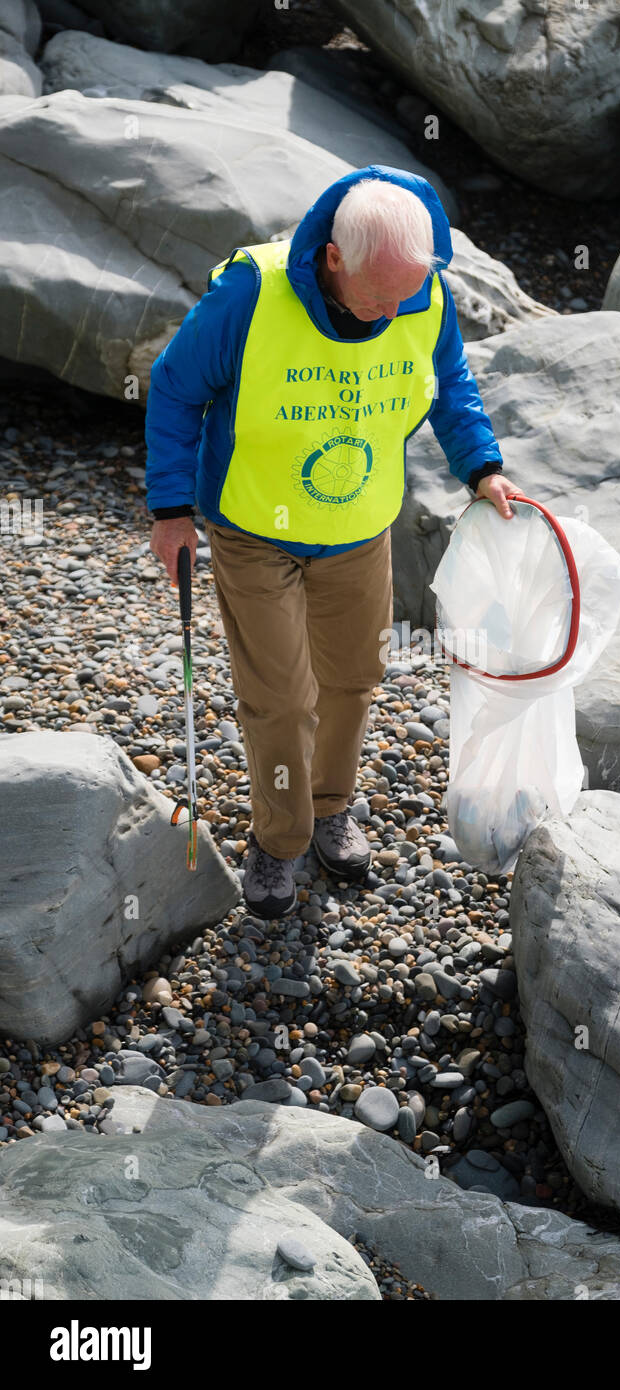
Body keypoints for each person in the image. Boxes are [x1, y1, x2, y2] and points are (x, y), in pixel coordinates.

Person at [145, 164, 520, 918]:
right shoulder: (252, 293)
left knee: (351, 681)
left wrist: (483, 467)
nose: (392, 311)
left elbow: (449, 382)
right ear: (333, 257)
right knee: (281, 700)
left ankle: (330, 808)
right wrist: (171, 510)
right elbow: (176, 387)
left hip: (359, 527)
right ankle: (279, 842)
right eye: (379, 295)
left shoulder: (421, 290)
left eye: (406, 294)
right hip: (256, 530)